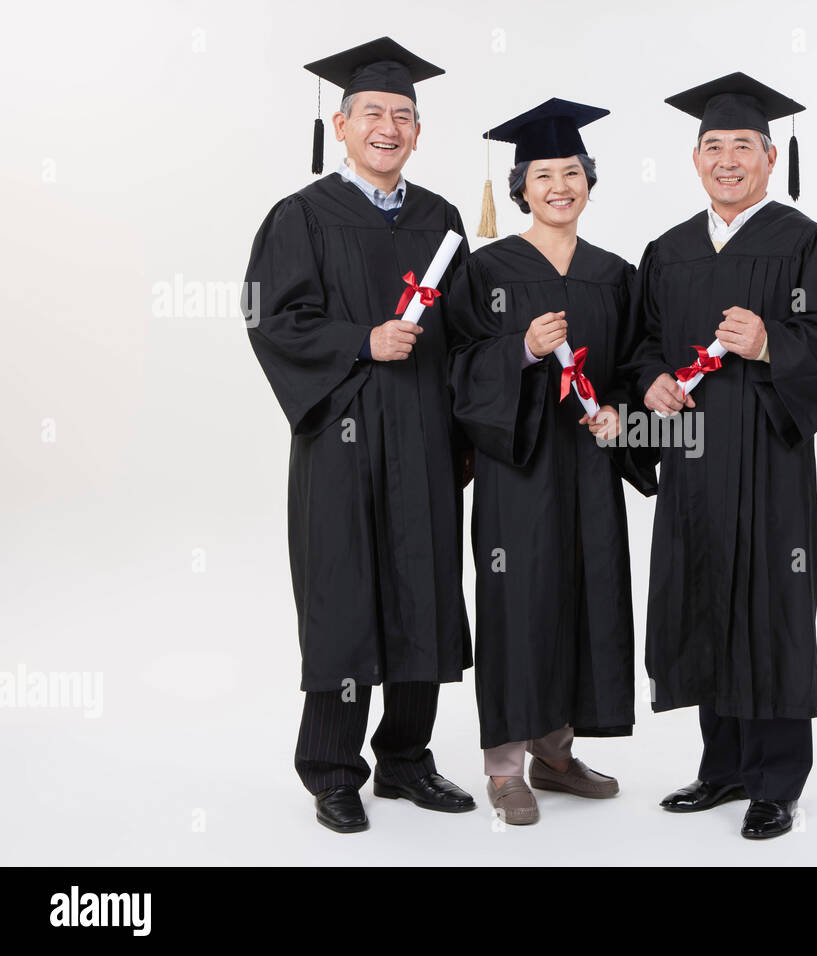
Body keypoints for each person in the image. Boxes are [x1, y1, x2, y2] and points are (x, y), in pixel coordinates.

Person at [624, 73, 817, 840]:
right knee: (701, 598)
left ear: (770, 155)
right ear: (694, 158)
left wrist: (772, 344)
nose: (727, 161)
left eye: (742, 146)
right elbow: (638, 347)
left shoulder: (808, 244)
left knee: (770, 606)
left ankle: (776, 780)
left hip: (767, 457)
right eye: (713, 147)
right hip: (694, 460)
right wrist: (653, 383)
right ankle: (722, 766)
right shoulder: (666, 252)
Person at [243, 37, 476, 833]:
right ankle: (334, 770)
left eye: (403, 115)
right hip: (340, 435)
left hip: (423, 434)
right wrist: (360, 342)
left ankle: (407, 761)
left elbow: (470, 331)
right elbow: (269, 316)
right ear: (340, 125)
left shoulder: (441, 220)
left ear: (418, 132)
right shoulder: (301, 216)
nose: (388, 126)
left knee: (425, 591)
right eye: (372, 112)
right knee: (345, 596)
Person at [444, 99, 656, 826]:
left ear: (590, 182)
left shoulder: (615, 273)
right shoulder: (487, 268)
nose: (559, 185)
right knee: (517, 603)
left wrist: (621, 418)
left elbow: (634, 367)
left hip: (590, 468)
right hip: (518, 469)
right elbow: (458, 366)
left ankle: (557, 753)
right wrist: (521, 351)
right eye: (544, 174)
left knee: (582, 594)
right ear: (520, 187)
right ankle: (505, 768)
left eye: (573, 172)